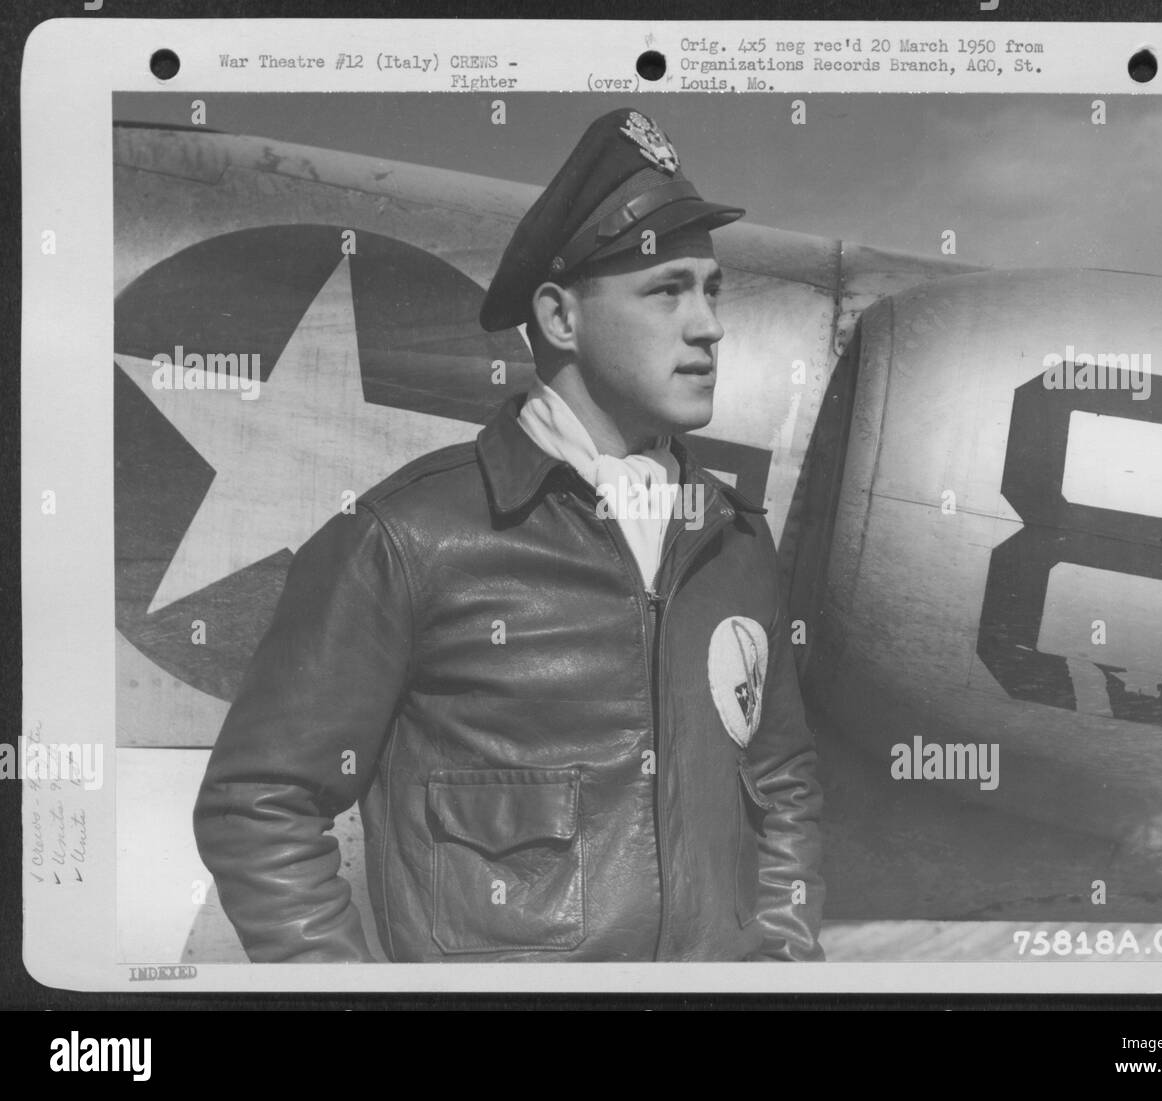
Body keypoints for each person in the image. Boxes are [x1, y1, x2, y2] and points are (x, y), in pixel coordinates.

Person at [193, 107, 825, 963]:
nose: (709, 324)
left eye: (712, 290)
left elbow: (783, 784)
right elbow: (260, 803)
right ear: (560, 318)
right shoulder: (407, 538)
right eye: (667, 289)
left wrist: (782, 967)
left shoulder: (734, 541)